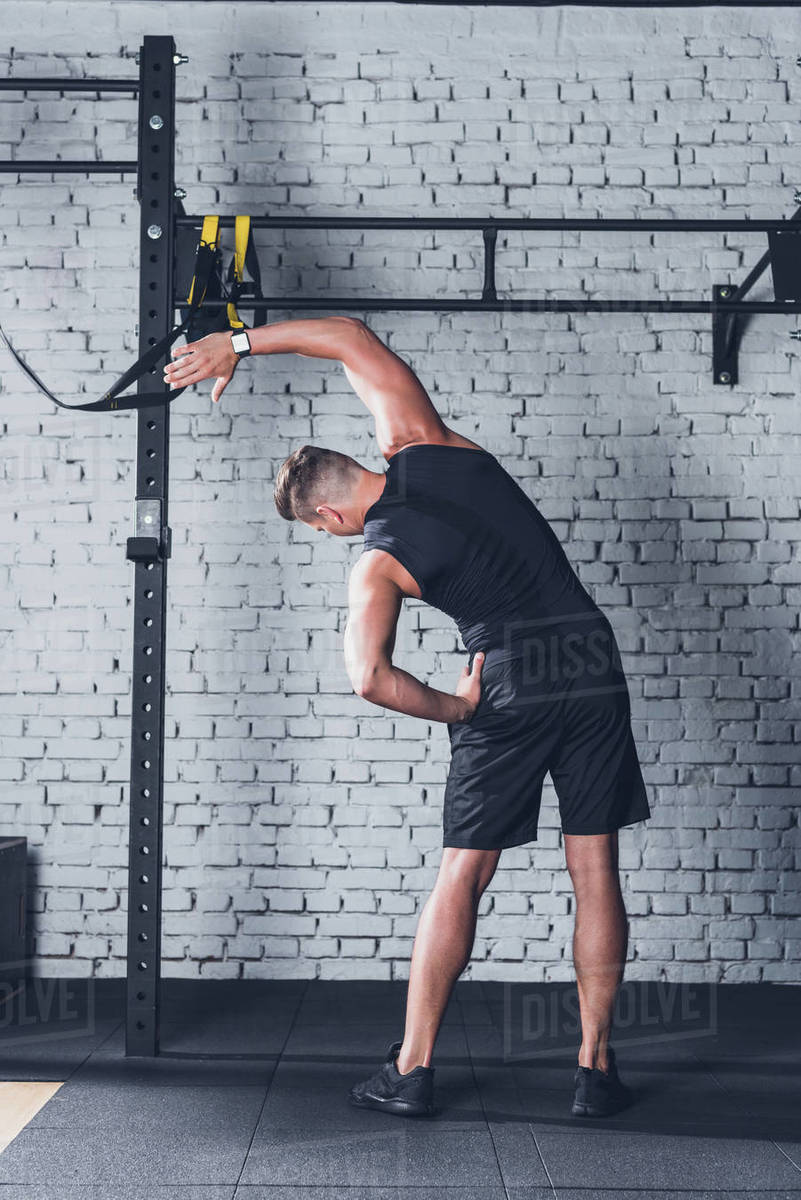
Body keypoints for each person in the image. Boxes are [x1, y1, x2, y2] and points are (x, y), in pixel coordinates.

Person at [163, 316, 650, 1119]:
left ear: (324, 517)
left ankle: (413, 1068)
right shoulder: (424, 441)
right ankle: (594, 1071)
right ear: (355, 465)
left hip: (508, 676)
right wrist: (238, 345)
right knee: (594, 866)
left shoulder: (375, 561)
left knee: (464, 870)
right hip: (590, 658)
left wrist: (458, 705)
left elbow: (371, 679)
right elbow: (350, 337)